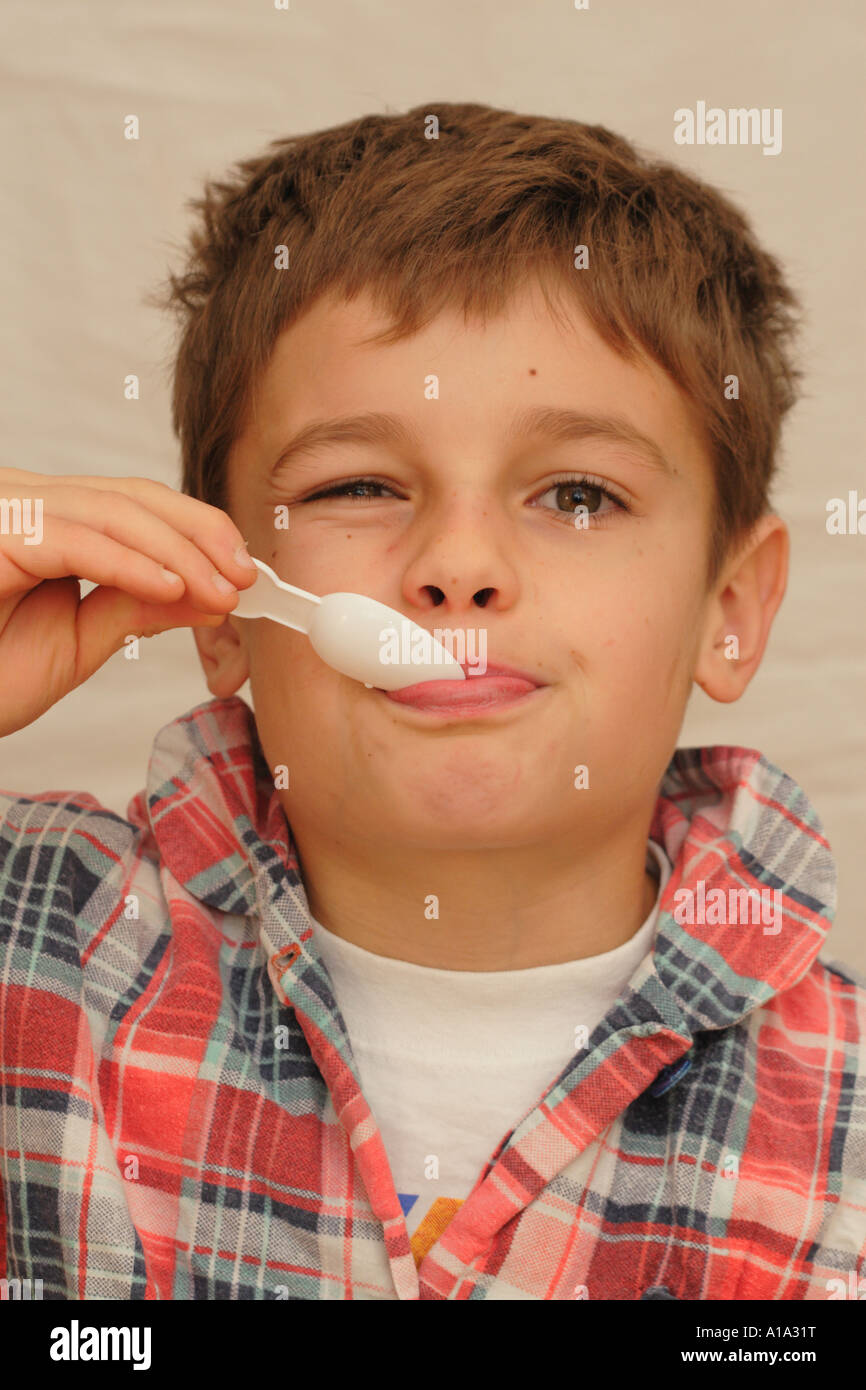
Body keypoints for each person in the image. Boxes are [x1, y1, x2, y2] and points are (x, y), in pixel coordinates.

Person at [1, 102, 863, 1301]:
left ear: (730, 604)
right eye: (357, 483)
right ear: (217, 603)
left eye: (575, 495)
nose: (458, 565)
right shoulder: (30, 945)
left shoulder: (847, 1126)